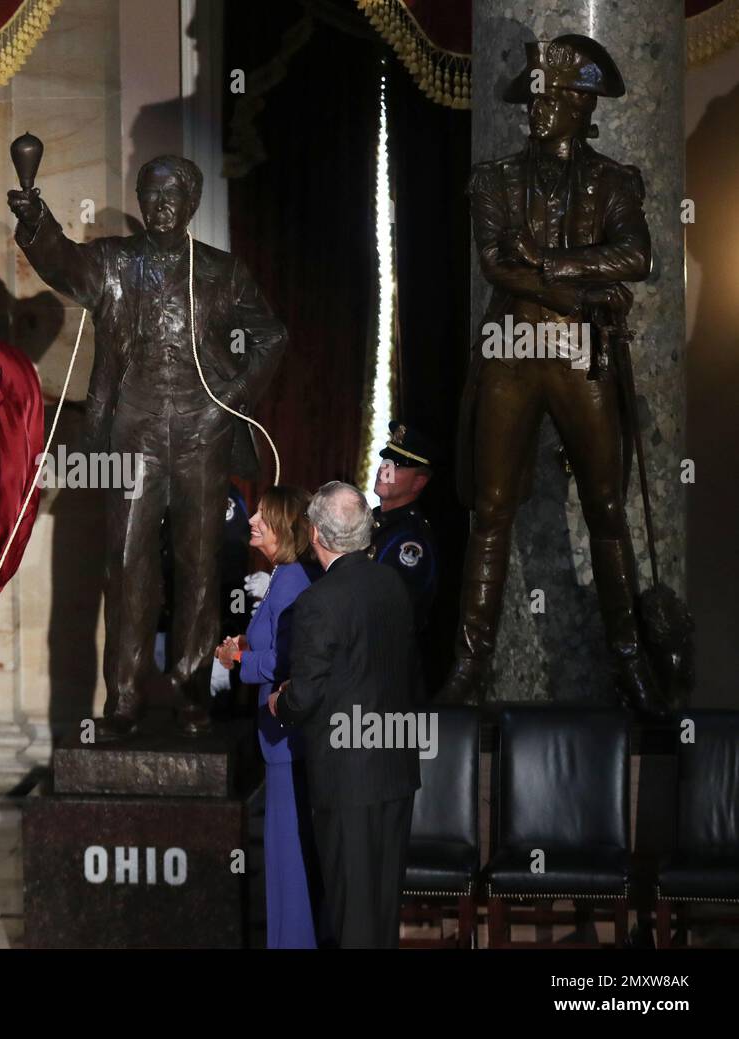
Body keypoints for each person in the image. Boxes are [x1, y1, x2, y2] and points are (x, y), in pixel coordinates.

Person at [9, 155, 286, 737]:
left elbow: (272, 337)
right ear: (140, 200)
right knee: (128, 564)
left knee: (199, 565)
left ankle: (192, 696)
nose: (161, 203)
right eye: (151, 193)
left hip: (202, 434)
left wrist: (230, 396)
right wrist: (37, 219)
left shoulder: (221, 271)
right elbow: (63, 266)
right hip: (131, 434)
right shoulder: (114, 262)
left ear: (191, 203)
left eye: (173, 194)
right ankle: (124, 701)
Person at [445, 34, 667, 720]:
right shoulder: (494, 178)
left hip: (581, 356)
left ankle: (629, 661)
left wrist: (549, 260)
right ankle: (470, 663)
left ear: (584, 104)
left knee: (607, 509)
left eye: (556, 96)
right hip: (514, 347)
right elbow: (495, 265)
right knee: (491, 509)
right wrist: (576, 287)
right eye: (536, 94)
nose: (540, 107)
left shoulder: (616, 181)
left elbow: (637, 256)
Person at [269, 482, 421, 948]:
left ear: (315, 533)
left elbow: (306, 695)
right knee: (381, 913)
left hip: (347, 779)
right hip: (395, 768)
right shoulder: (393, 583)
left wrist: (281, 702)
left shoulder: (318, 601)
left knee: (350, 914)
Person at [215, 485, 315, 948]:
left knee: (288, 857)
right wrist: (246, 647)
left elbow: (293, 661)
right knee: (278, 855)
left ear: (284, 528)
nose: (252, 521)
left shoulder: (292, 580)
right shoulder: (281, 575)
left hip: (287, 741)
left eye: (262, 516)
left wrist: (240, 662)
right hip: (276, 741)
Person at [370, 421, 438, 631]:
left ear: (418, 483)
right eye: (386, 459)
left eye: (397, 466)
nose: (385, 468)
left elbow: (384, 617)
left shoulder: (410, 540)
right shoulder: (372, 519)